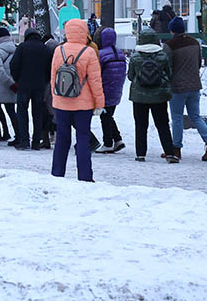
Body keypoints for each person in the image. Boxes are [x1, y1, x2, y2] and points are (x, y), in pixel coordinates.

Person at [49, 18, 105, 181]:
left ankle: (57, 173)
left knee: (61, 139)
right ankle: (85, 176)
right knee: (83, 139)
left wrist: (55, 98)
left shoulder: (59, 51)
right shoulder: (88, 52)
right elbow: (95, 81)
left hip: (61, 102)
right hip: (83, 104)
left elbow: (53, 77)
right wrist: (99, 103)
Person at [163, 16, 207, 161]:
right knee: (195, 116)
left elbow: (166, 67)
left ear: (172, 30)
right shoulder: (195, 43)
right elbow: (199, 62)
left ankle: (176, 149)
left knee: (177, 117)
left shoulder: (170, 45)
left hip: (177, 87)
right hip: (194, 85)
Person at [127, 32, 180, 163]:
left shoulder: (135, 57)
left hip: (139, 97)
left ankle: (140, 154)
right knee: (162, 124)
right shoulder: (162, 56)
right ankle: (169, 153)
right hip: (160, 96)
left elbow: (130, 76)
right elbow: (169, 73)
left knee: (140, 125)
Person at [9, 28, 51, 150]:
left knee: (22, 112)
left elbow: (14, 64)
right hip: (39, 86)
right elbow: (50, 67)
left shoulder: (22, 47)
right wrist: (45, 80)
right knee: (37, 113)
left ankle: (24, 140)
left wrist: (18, 79)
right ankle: (36, 142)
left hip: (24, 85)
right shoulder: (45, 48)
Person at [95, 27, 127, 153]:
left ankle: (108, 142)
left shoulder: (101, 54)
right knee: (108, 115)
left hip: (104, 89)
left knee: (105, 116)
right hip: (116, 89)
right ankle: (118, 139)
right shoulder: (120, 53)